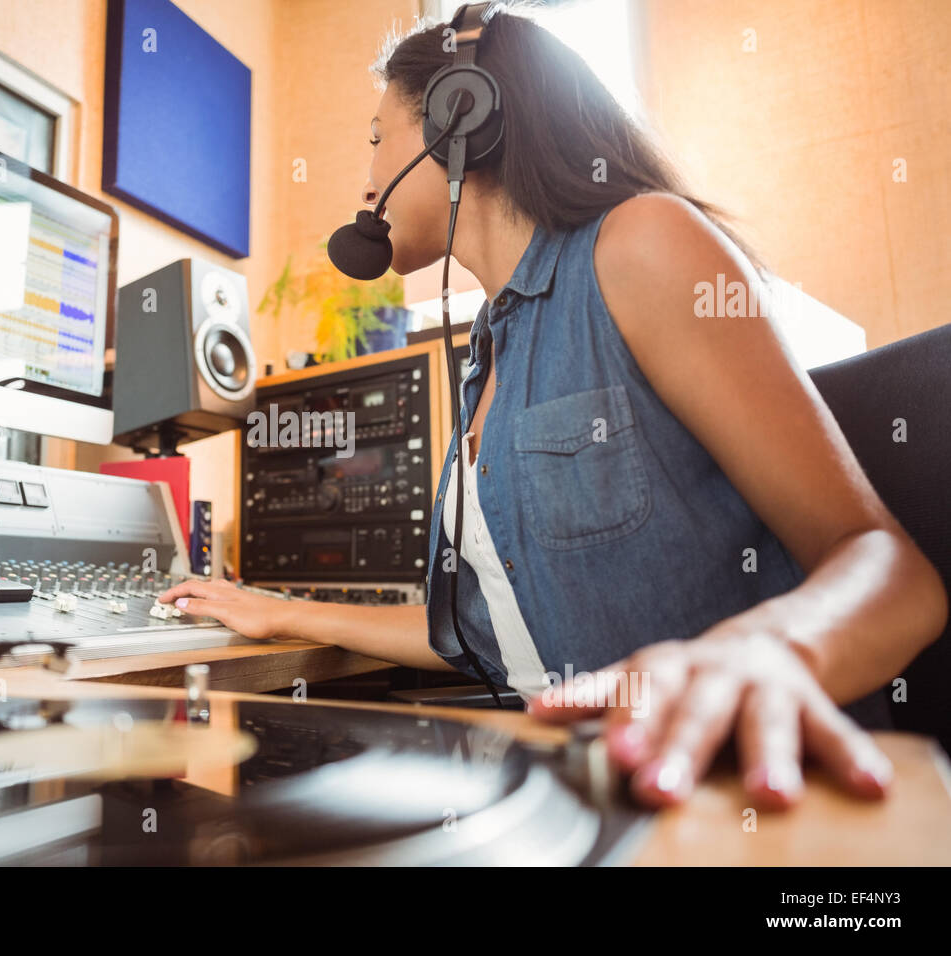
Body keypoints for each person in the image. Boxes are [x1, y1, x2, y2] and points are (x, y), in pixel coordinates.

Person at [158, 8, 946, 810]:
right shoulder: (490, 353)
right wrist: (288, 611)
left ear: (458, 118)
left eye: (375, 135)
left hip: (750, 796)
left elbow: (892, 574)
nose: (365, 173)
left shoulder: (641, 244)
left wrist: (763, 652)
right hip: (590, 796)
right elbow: (479, 635)